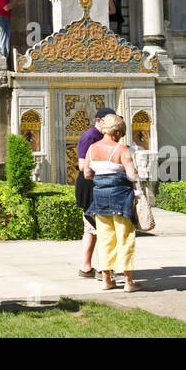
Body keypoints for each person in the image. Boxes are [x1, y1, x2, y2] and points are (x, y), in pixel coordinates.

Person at [83, 112, 140, 292]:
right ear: (117, 132)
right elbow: (131, 175)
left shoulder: (92, 149)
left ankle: (107, 279)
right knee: (125, 237)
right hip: (121, 197)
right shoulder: (122, 150)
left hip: (100, 197)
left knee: (105, 239)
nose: (121, 137)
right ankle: (129, 282)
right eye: (121, 134)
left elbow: (87, 174)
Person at [75, 109, 108, 278]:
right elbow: (82, 165)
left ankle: (86, 267)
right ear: (100, 120)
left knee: (92, 228)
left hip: (95, 186)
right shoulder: (90, 136)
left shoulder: (101, 137)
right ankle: (103, 269)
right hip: (90, 188)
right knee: (100, 227)